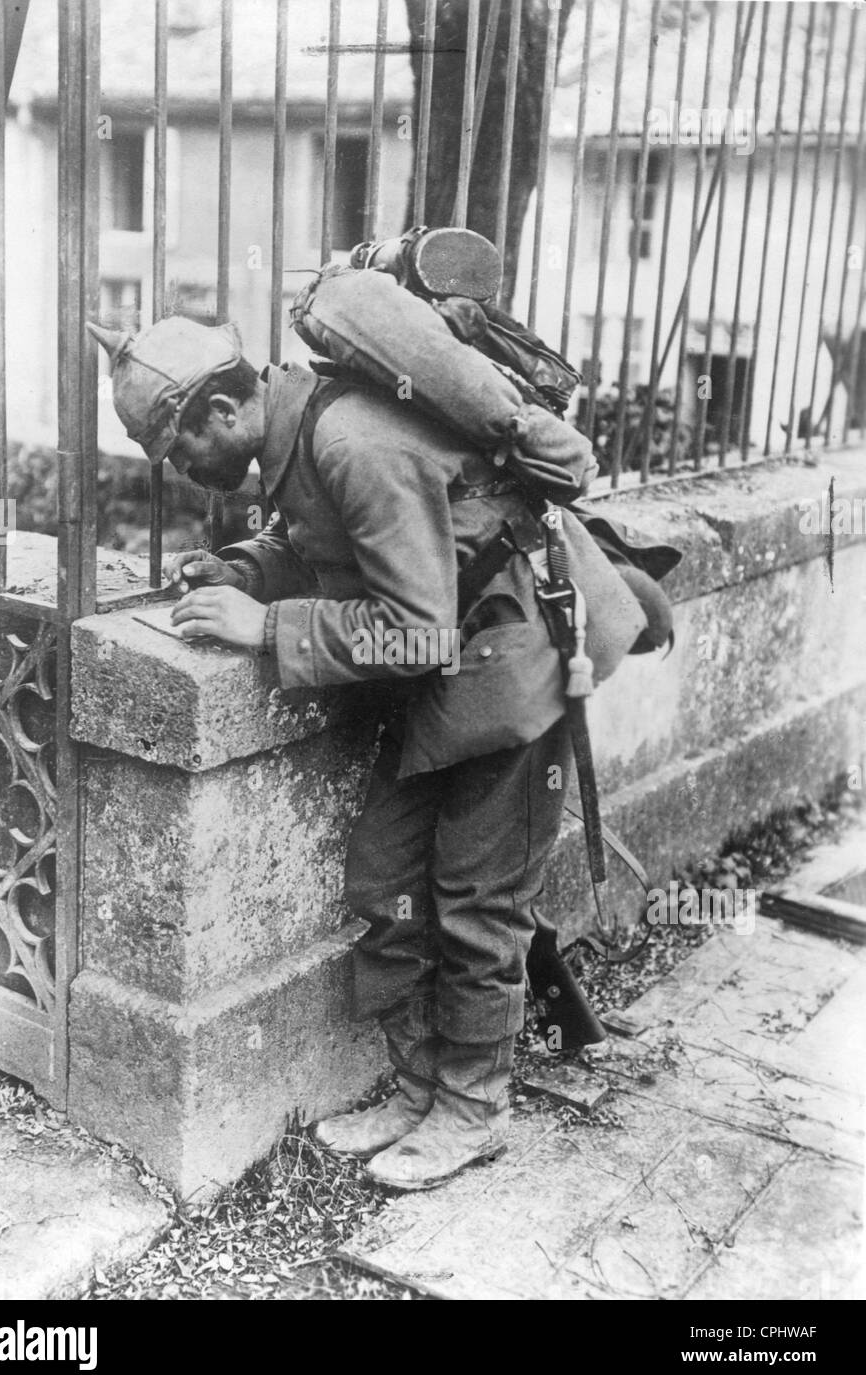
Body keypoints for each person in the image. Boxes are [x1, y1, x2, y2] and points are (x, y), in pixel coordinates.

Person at [88, 313, 675, 1191]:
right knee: (388, 878)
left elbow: (413, 632)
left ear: (217, 410)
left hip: (512, 670)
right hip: (448, 676)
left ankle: (471, 1110)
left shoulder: (354, 441)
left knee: (477, 900)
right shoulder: (300, 428)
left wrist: (268, 626)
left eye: (173, 448)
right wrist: (246, 571)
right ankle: (414, 1090)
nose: (176, 470)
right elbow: (327, 545)